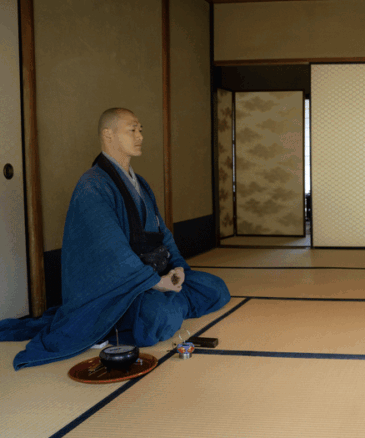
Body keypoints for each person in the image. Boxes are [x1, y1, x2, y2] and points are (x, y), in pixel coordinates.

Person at [0, 108, 230, 369]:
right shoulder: (92, 185)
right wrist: (155, 282)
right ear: (108, 135)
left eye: (141, 129)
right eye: (132, 130)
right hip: (121, 289)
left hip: (155, 274)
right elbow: (111, 250)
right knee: (156, 318)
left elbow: (162, 232)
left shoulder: (140, 183)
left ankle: (160, 304)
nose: (140, 135)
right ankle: (119, 321)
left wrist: (177, 268)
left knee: (216, 288)